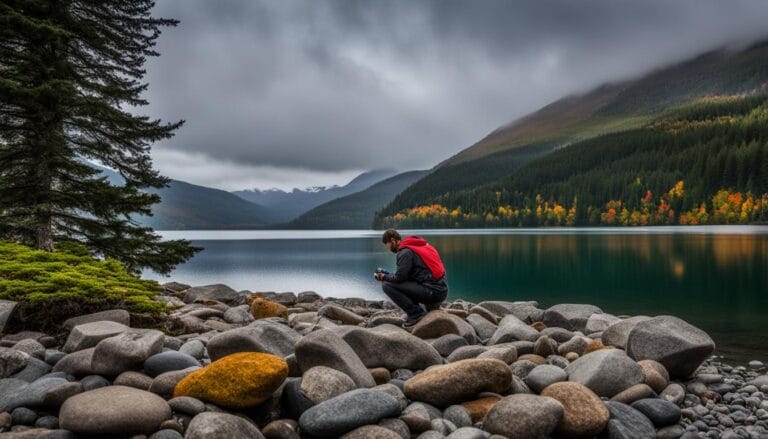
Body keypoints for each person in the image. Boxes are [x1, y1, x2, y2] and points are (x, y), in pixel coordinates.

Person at [374, 229, 448, 327]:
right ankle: (428, 308)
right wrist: (387, 274)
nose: (387, 248)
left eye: (386, 244)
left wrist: (383, 277)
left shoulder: (405, 252)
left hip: (432, 292)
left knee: (387, 285)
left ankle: (416, 313)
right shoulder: (417, 247)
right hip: (441, 290)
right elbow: (405, 277)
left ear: (393, 240)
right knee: (390, 280)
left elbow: (399, 278)